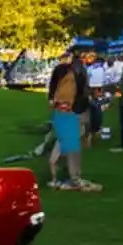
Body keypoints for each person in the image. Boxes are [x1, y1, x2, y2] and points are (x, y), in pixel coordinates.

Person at [46, 50, 99, 191]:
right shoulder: (74, 70)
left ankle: (69, 178)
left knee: (68, 145)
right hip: (72, 112)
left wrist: (56, 102)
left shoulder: (69, 71)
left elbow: (62, 93)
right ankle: (68, 177)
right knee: (69, 145)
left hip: (70, 112)